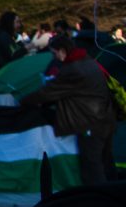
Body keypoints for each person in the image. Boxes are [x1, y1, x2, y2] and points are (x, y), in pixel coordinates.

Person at [32, 35, 118, 187]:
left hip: (90, 121)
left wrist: (22, 101)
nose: (54, 57)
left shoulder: (72, 69)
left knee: (92, 165)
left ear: (62, 51)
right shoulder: (89, 61)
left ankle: (97, 196)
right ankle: (115, 192)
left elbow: (49, 92)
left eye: (54, 53)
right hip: (106, 118)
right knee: (106, 161)